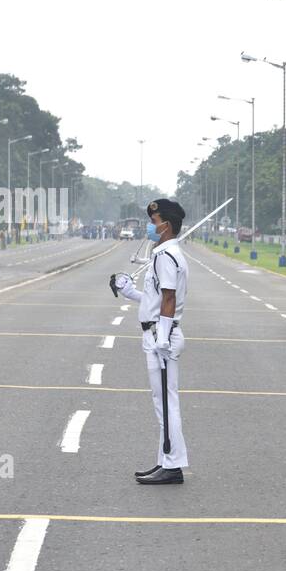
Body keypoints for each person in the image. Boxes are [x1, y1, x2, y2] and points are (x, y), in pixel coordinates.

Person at [110, 199, 190, 485]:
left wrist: (164, 337)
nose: (151, 227)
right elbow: (157, 300)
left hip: (161, 336)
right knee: (162, 402)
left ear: (166, 226)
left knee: (167, 403)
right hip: (158, 331)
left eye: (154, 222)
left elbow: (169, 299)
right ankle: (166, 460)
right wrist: (129, 292)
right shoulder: (164, 253)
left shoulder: (166, 256)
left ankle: (173, 465)